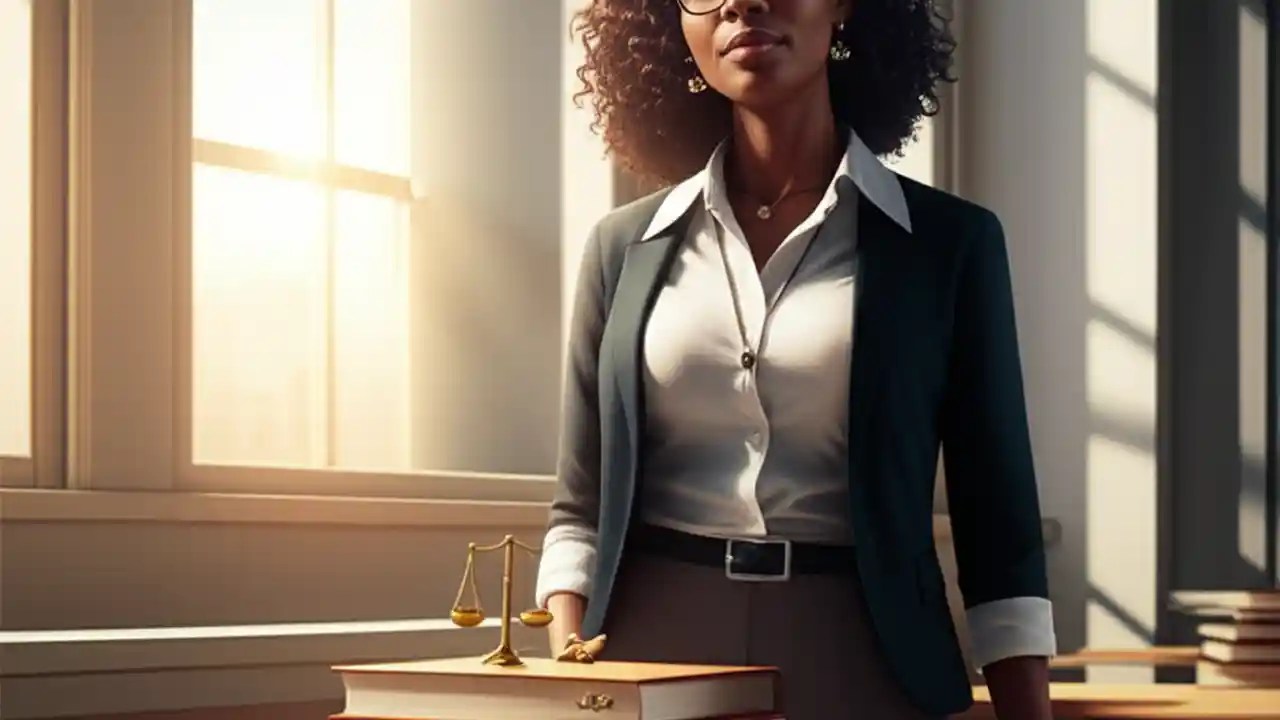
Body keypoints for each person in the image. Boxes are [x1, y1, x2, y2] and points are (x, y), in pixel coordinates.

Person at [535, 0, 1057, 717]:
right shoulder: (620, 248)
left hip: (867, 653)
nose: (743, 2)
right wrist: (572, 669)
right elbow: (580, 505)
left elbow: (997, 520)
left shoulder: (949, 246)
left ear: (845, 8)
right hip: (648, 649)